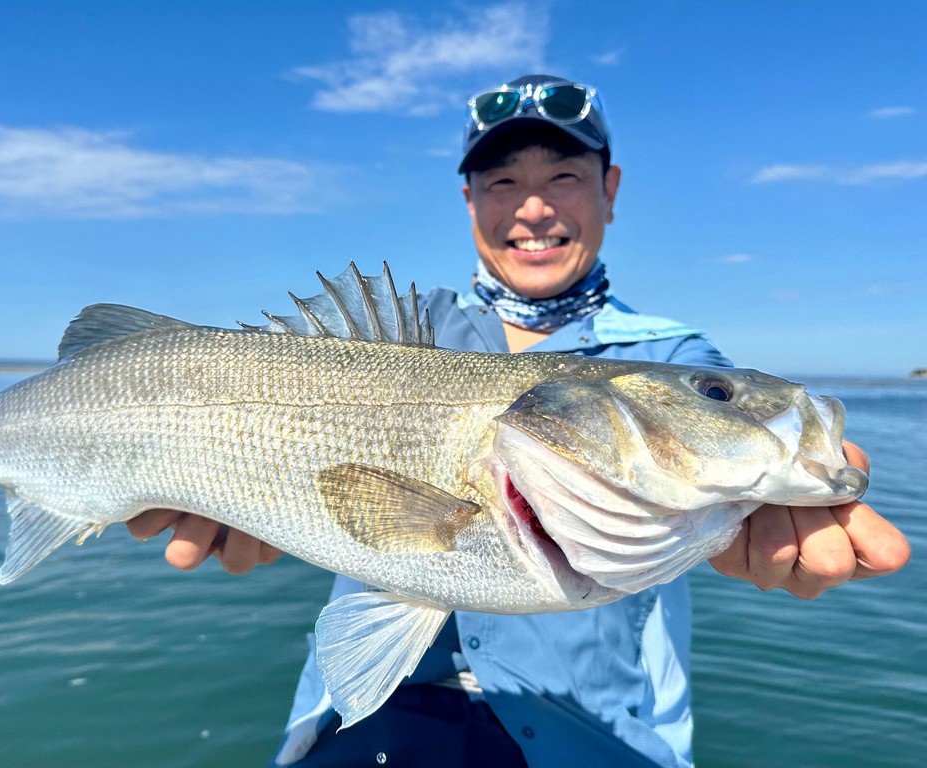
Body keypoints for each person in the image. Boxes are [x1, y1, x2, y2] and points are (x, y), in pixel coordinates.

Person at [127, 74, 910, 767]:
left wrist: (782, 507)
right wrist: (233, 485)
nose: (533, 208)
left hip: (592, 737)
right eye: (502, 181)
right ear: (470, 202)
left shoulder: (674, 353)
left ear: (610, 189)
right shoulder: (408, 335)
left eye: (564, 175)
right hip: (366, 718)